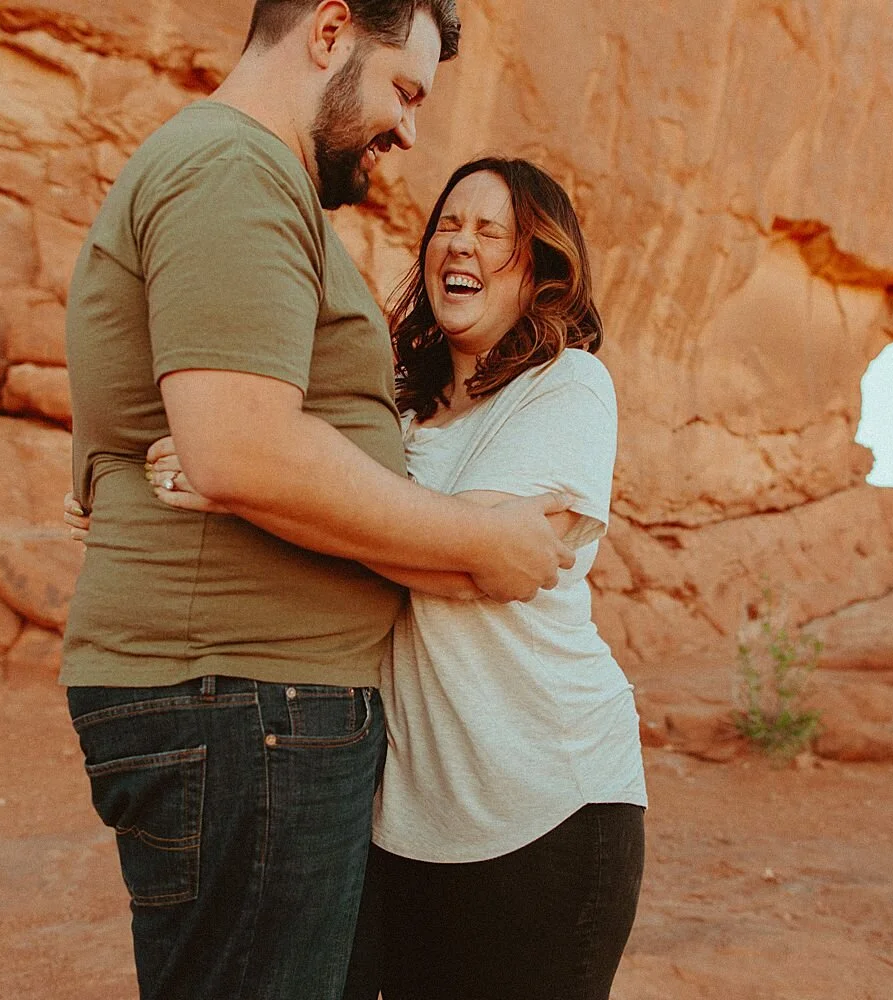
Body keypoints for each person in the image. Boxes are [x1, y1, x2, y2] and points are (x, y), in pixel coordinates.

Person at [59, 2, 578, 998]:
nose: (409, 131)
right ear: (330, 32)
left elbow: (235, 448)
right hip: (244, 701)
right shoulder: (233, 167)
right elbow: (242, 447)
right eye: (404, 91)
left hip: (251, 704)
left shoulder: (252, 179)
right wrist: (475, 541)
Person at [131, 157, 647, 1000]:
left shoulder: (567, 386)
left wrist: (248, 485)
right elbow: (392, 529)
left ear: (540, 268)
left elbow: (460, 564)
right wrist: (249, 475)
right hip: (403, 819)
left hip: (547, 799)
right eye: (449, 224)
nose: (461, 244)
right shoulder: (393, 410)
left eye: (492, 232)